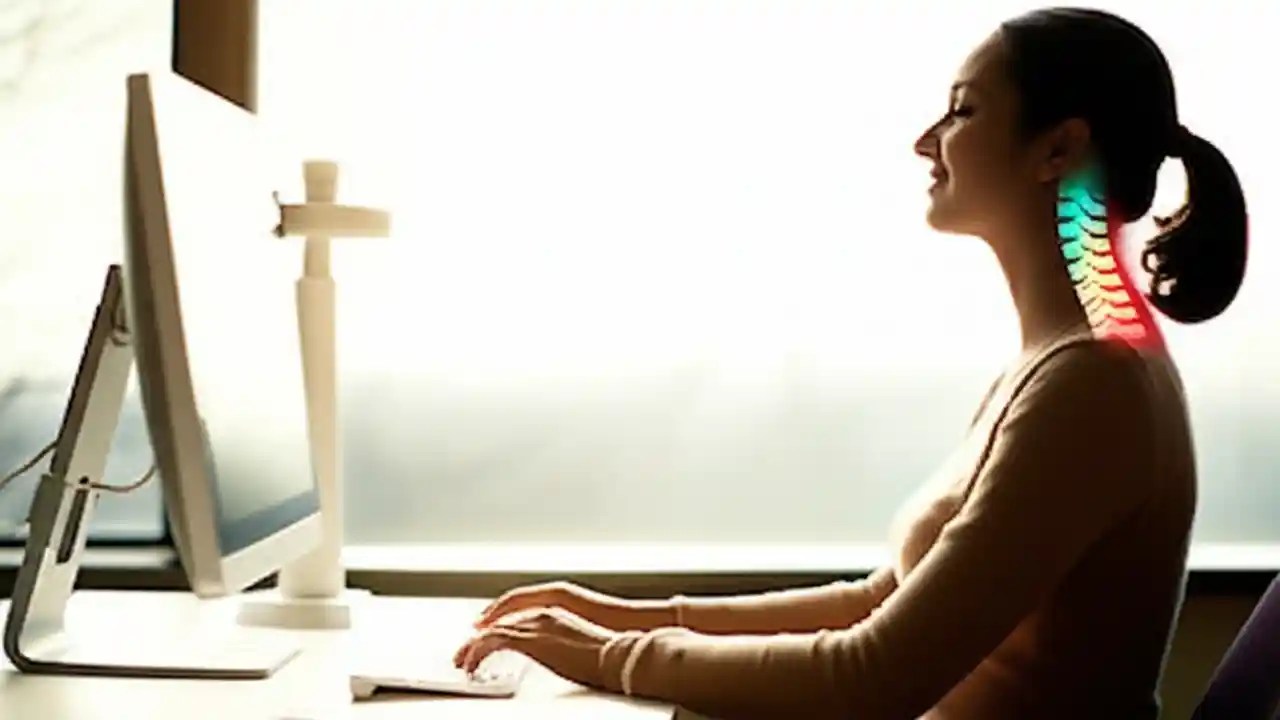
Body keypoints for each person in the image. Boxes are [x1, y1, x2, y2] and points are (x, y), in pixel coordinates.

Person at [454, 7, 1249, 719]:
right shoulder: (1062, 360)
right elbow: (884, 602)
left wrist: (602, 656)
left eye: (963, 110)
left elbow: (873, 677)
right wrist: (627, 617)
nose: (925, 140)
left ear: (1059, 149)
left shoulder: (1092, 383)